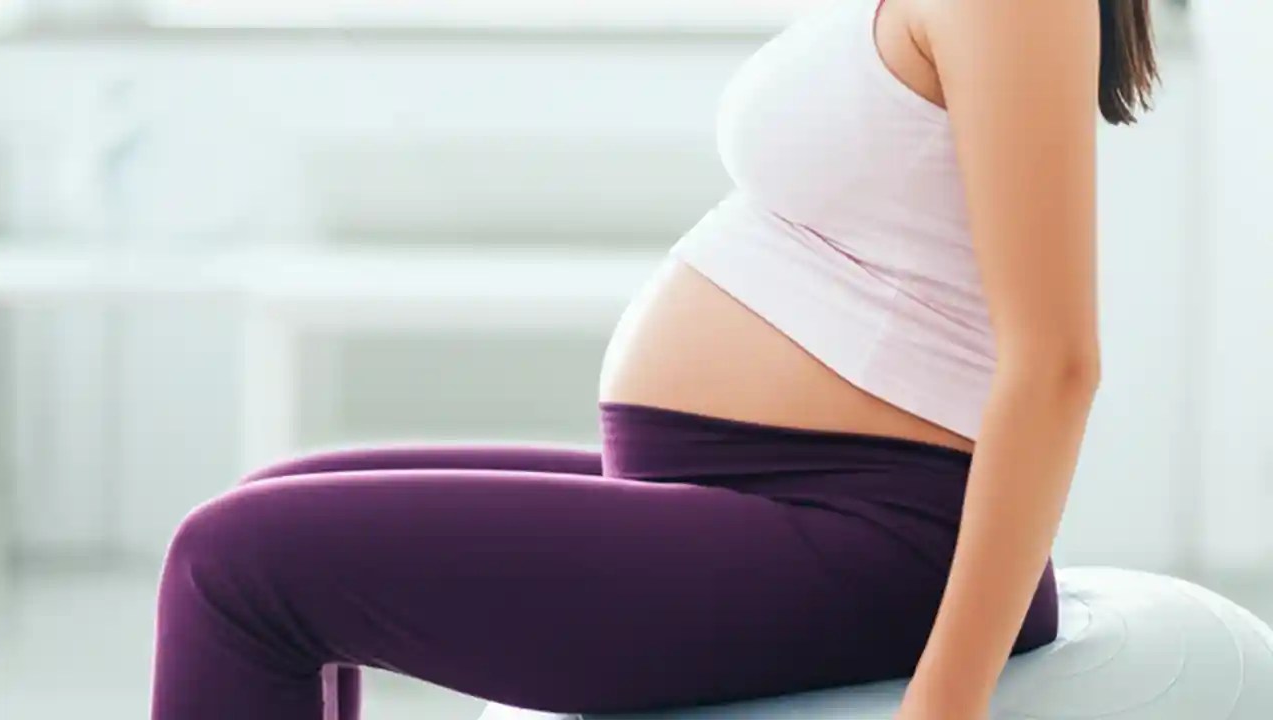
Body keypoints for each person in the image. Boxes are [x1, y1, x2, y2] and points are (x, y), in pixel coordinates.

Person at [149, 1, 1159, 718]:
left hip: (873, 533)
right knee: (266, 500)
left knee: (231, 564)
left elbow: (1056, 360)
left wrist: (946, 698)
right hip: (779, 492)